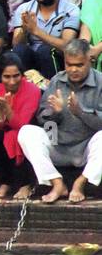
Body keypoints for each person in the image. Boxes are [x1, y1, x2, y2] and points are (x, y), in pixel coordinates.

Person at [17, 39, 102, 203]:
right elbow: (43, 121)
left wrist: (80, 113)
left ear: (90, 61)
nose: (73, 69)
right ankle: (56, 182)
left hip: (86, 148)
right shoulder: (57, 80)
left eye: (79, 65)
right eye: (69, 64)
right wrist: (56, 114)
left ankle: (80, 183)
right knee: (27, 132)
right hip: (58, 143)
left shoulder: (100, 82)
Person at [0, 53, 40, 200]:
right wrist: (0, 113)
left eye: (16, 76)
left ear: (22, 74)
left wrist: (8, 110)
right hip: (5, 132)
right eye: (7, 77)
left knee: (20, 137)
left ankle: (26, 184)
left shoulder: (32, 90)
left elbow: (23, 124)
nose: (12, 81)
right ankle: (5, 182)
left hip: (27, 131)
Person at [11, 0, 80, 78]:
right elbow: (16, 44)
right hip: (30, 58)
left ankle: (52, 89)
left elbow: (67, 46)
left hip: (55, 60)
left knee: (45, 51)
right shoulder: (24, 8)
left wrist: (36, 31)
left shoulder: (71, 10)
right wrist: (24, 29)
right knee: (20, 50)